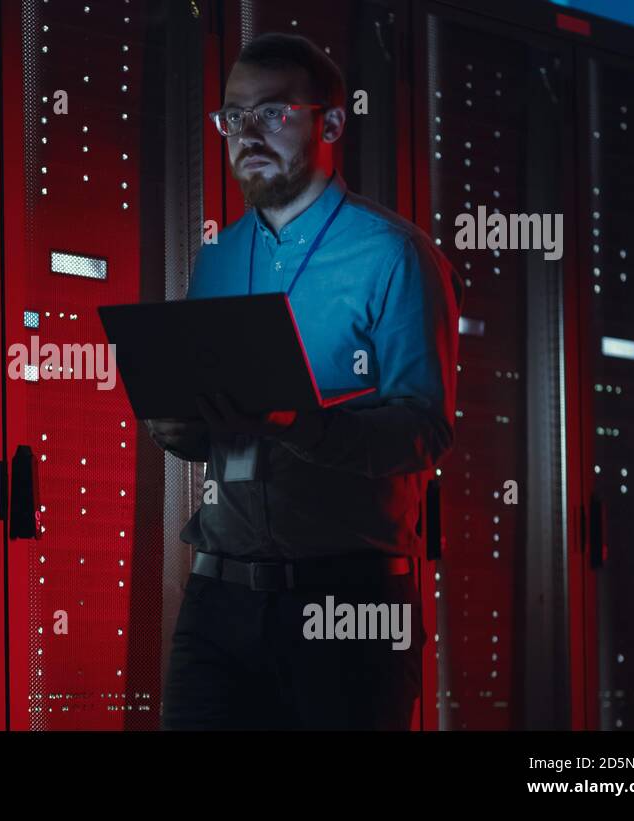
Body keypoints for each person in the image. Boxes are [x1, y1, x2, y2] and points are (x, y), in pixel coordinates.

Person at [146, 32, 464, 730]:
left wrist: (304, 425)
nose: (247, 134)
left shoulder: (397, 256)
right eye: (234, 116)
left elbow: (426, 428)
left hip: (348, 603)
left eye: (273, 113)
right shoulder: (219, 258)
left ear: (332, 123)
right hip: (218, 596)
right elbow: (224, 429)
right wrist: (183, 430)